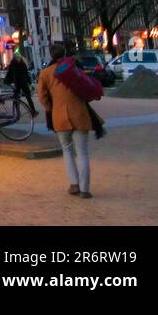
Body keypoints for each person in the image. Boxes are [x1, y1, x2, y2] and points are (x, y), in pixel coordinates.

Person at [38, 41, 95, 199]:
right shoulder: (75, 68)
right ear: (64, 54)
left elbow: (42, 97)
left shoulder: (45, 73)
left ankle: (74, 184)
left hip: (60, 116)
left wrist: (51, 108)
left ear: (51, 55)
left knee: (67, 150)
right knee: (82, 153)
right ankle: (85, 189)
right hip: (80, 114)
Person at [5, 50, 38, 116]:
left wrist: (8, 81)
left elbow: (10, 74)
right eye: (17, 57)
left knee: (16, 98)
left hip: (17, 83)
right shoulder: (22, 64)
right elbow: (26, 74)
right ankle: (33, 111)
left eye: (18, 57)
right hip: (22, 83)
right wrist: (29, 82)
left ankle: (17, 113)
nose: (18, 58)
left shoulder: (13, 64)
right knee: (27, 97)